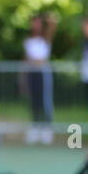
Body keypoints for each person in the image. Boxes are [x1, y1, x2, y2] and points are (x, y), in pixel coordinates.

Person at [23, 14, 56, 143]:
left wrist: (48, 19)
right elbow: (27, 59)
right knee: (34, 101)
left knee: (45, 101)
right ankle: (35, 127)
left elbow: (52, 27)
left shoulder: (45, 39)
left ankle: (47, 128)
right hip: (33, 74)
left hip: (43, 74)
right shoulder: (28, 41)